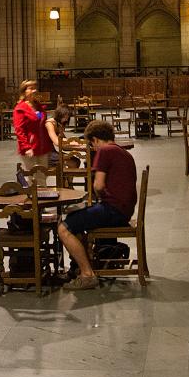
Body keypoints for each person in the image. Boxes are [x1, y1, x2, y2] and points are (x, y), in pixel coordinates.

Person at [58, 121, 136, 291]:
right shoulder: (124, 153)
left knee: (64, 228)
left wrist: (99, 198)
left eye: (92, 144)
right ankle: (82, 266)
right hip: (124, 210)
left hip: (113, 210)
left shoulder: (105, 151)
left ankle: (87, 274)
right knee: (76, 219)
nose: (93, 148)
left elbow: (98, 186)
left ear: (95, 139)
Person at [12, 79, 59, 182]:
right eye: (31, 88)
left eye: (35, 88)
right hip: (30, 147)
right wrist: (26, 147)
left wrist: (48, 121)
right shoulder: (20, 109)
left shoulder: (38, 106)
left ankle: (41, 192)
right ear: (24, 92)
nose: (34, 90)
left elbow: (40, 121)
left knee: (42, 176)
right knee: (34, 178)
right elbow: (19, 130)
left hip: (42, 147)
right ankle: (34, 192)